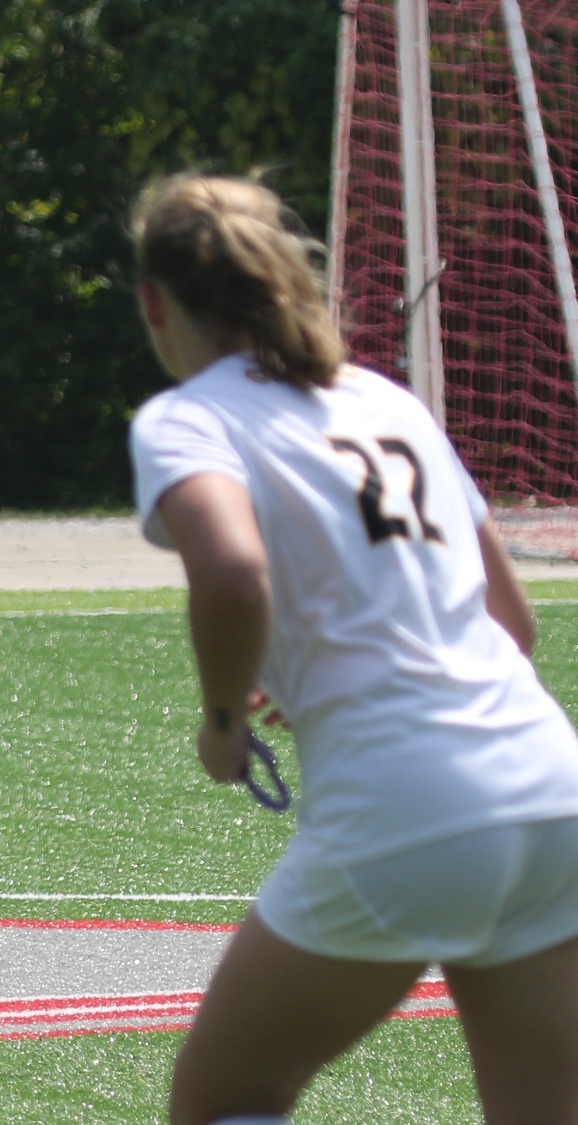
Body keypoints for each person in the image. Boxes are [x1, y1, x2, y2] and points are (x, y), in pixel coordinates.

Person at [127, 173, 578, 1124]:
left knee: (223, 1102)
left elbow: (236, 574)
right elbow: (513, 623)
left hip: (407, 805)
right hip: (550, 788)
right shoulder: (384, 399)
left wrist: (222, 721)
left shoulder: (186, 416)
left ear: (154, 299)